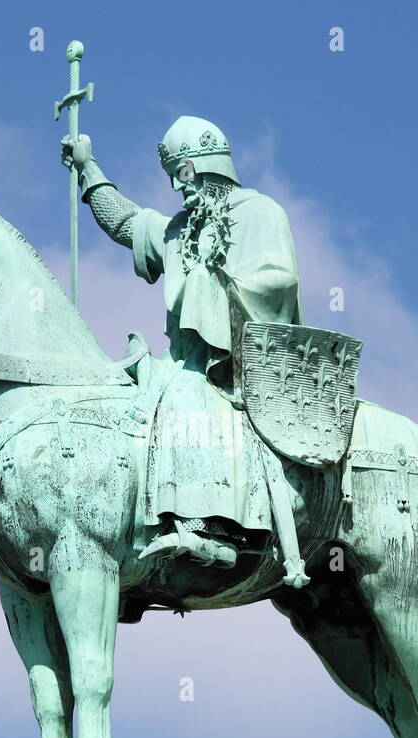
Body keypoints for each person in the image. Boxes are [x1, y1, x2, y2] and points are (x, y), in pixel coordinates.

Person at [61, 116, 304, 571]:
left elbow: (282, 282)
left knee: (185, 393)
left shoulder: (260, 212)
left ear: (211, 167)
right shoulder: (179, 229)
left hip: (244, 364)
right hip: (183, 361)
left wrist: (217, 288)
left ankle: (211, 527)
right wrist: (88, 169)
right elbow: (127, 221)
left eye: (184, 173)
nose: (177, 185)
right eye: (173, 176)